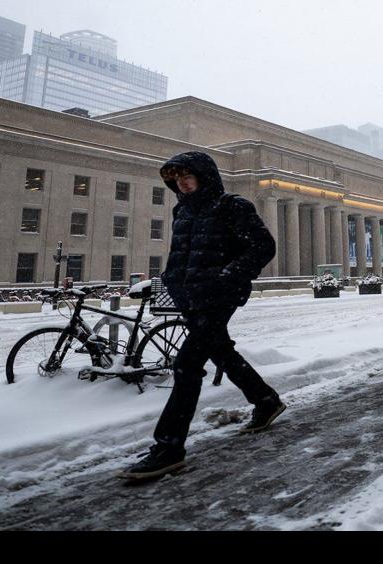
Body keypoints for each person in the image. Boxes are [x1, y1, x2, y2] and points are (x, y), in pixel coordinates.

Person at [118, 152, 285, 480]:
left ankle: (169, 448)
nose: (181, 181)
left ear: (205, 175)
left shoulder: (232, 206)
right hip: (191, 297)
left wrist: (227, 276)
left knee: (187, 365)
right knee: (221, 351)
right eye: (176, 177)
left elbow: (263, 246)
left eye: (187, 175)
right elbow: (179, 255)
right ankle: (265, 401)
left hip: (220, 296)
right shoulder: (181, 210)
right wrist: (170, 283)